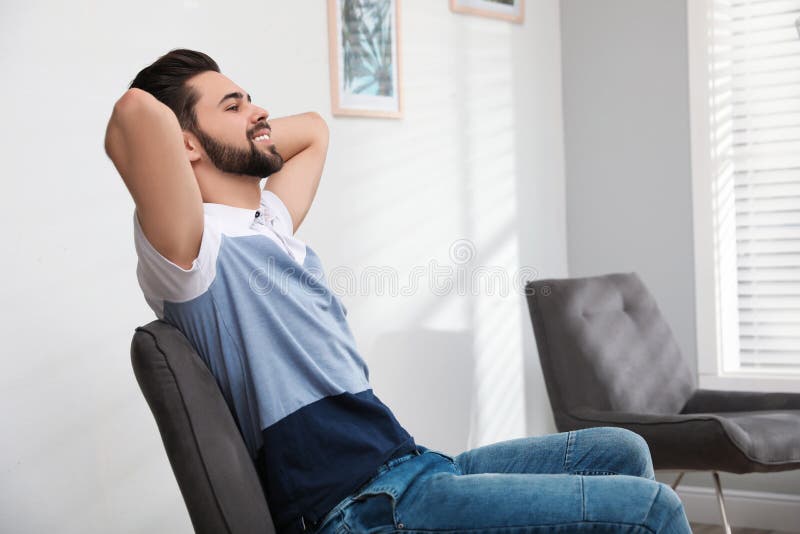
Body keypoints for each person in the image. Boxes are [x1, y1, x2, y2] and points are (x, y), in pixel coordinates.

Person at [105, 49, 691, 534]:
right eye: (235, 105)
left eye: (252, 101)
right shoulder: (194, 251)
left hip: (408, 466)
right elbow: (135, 113)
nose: (260, 112)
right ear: (183, 143)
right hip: (357, 506)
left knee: (621, 450)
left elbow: (312, 128)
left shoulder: (271, 224)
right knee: (653, 512)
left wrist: (242, 132)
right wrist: (209, 143)